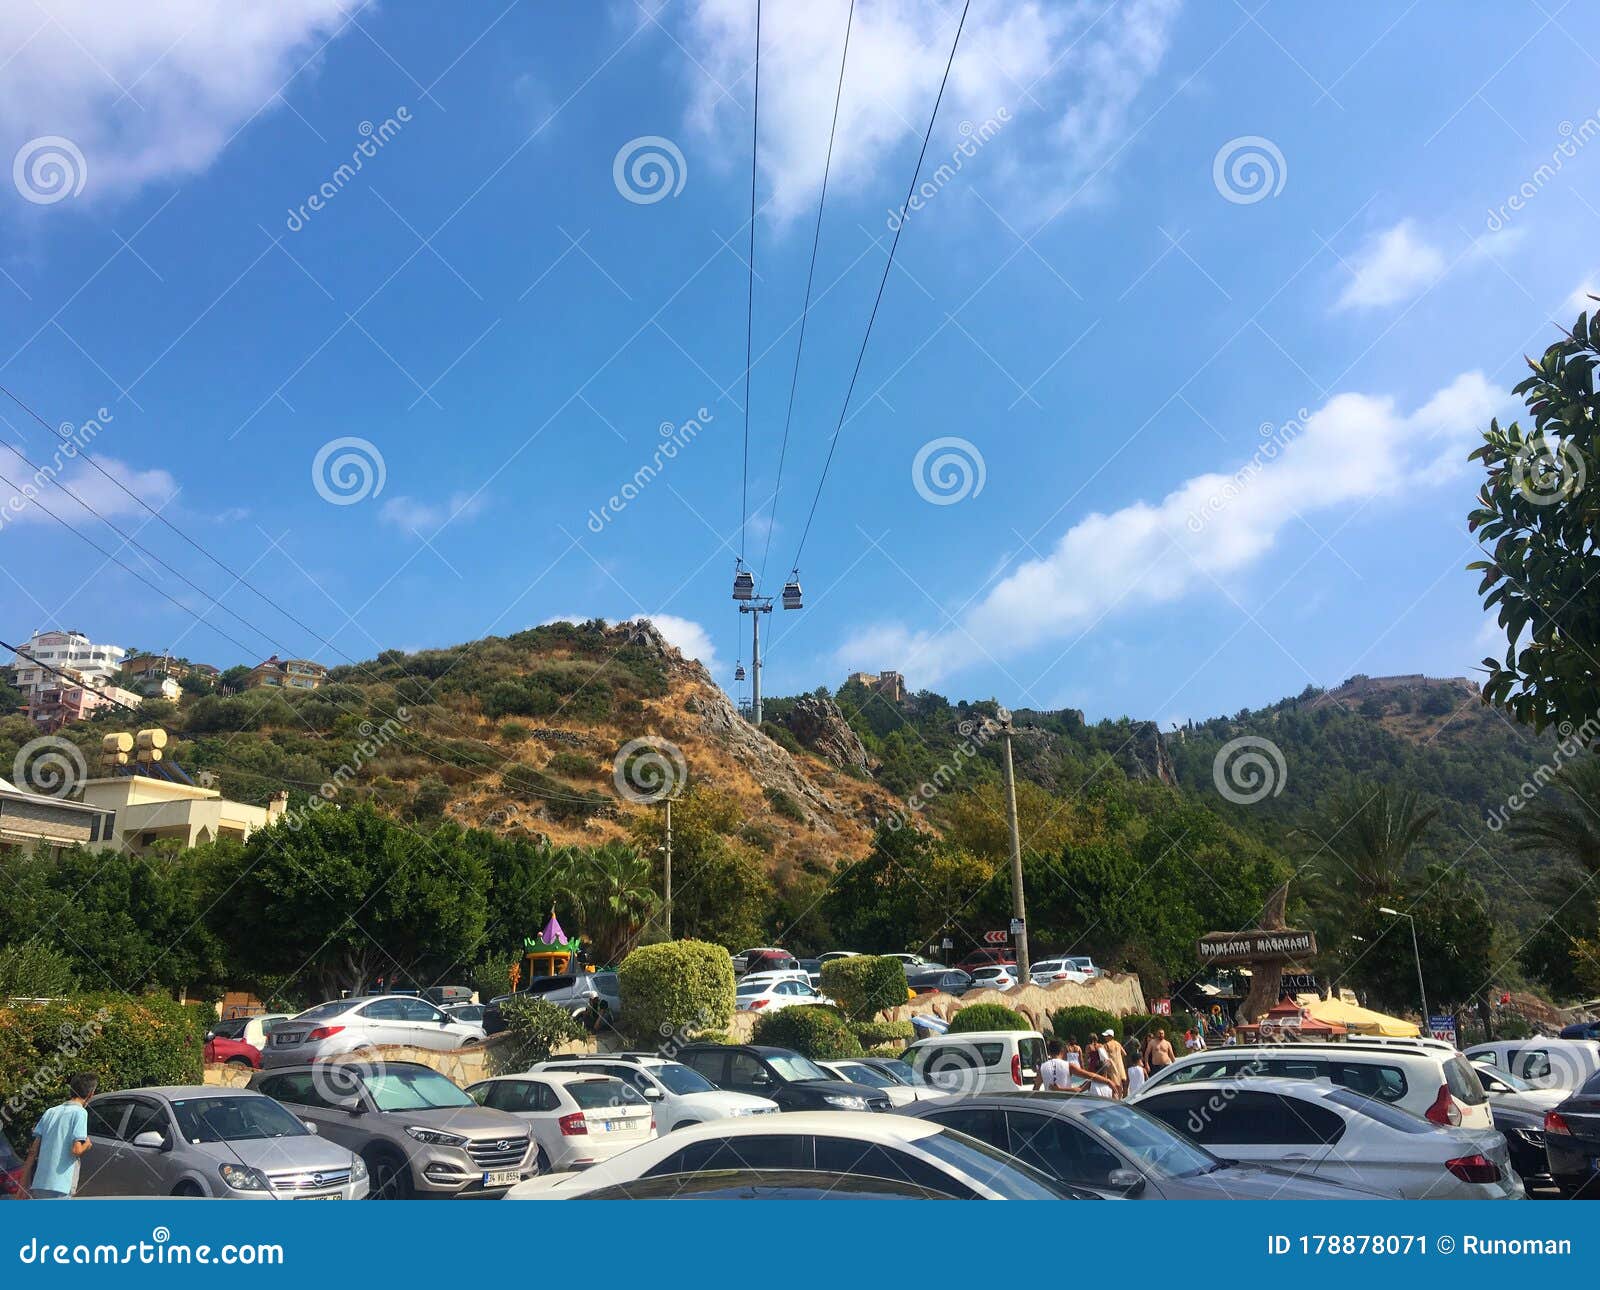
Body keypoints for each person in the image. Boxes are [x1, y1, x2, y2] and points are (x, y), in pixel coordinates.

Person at [23, 1073, 97, 1199]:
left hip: (40, 1182)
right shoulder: (80, 1113)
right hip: (62, 1184)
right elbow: (76, 1150)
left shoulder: (50, 1112)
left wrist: (23, 1182)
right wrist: (87, 1145)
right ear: (91, 1094)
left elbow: (33, 1151)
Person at [1100, 1028, 1128, 1097]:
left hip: (1112, 1067)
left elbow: (1104, 1058)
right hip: (1120, 1066)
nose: (1105, 1037)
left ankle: (1116, 1101)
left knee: (1114, 1086)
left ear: (1110, 1036)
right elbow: (1124, 1054)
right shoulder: (1118, 1044)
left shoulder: (1105, 1045)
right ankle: (1121, 1099)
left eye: (1106, 1036)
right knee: (1120, 1085)